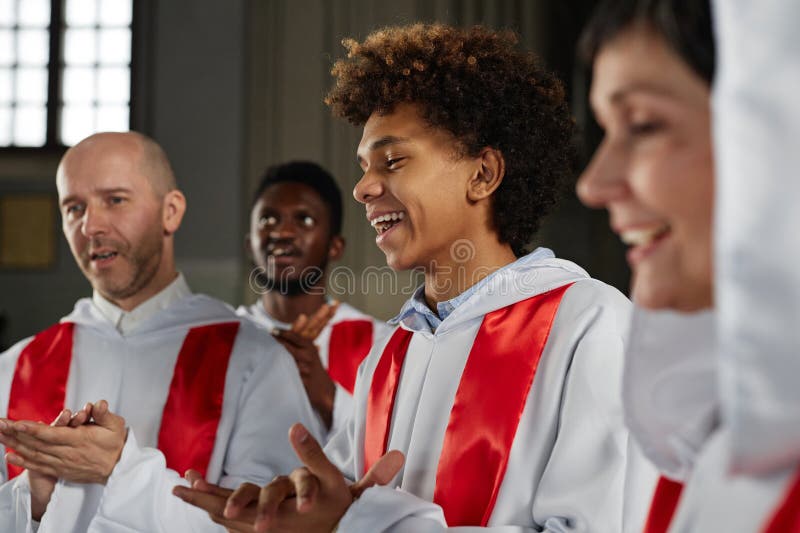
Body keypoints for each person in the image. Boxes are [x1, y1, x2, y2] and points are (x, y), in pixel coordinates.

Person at [176, 23, 655, 532]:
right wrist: (293, 517)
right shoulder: (391, 350)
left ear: (482, 174)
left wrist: (370, 524)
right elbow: (344, 505)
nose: (362, 188)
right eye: (363, 166)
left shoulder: (589, 323)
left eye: (393, 160)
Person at [0, 132, 322, 532]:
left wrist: (121, 471)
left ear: (170, 212)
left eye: (115, 200)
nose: (91, 226)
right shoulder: (15, 367)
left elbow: (274, 523)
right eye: (74, 208)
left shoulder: (254, 359)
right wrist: (33, 501)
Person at [237, 161, 393, 439]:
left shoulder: (380, 344)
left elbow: (396, 447)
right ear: (250, 243)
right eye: (267, 219)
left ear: (335, 247)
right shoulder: (223, 338)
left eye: (304, 220)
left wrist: (327, 396)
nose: (282, 233)